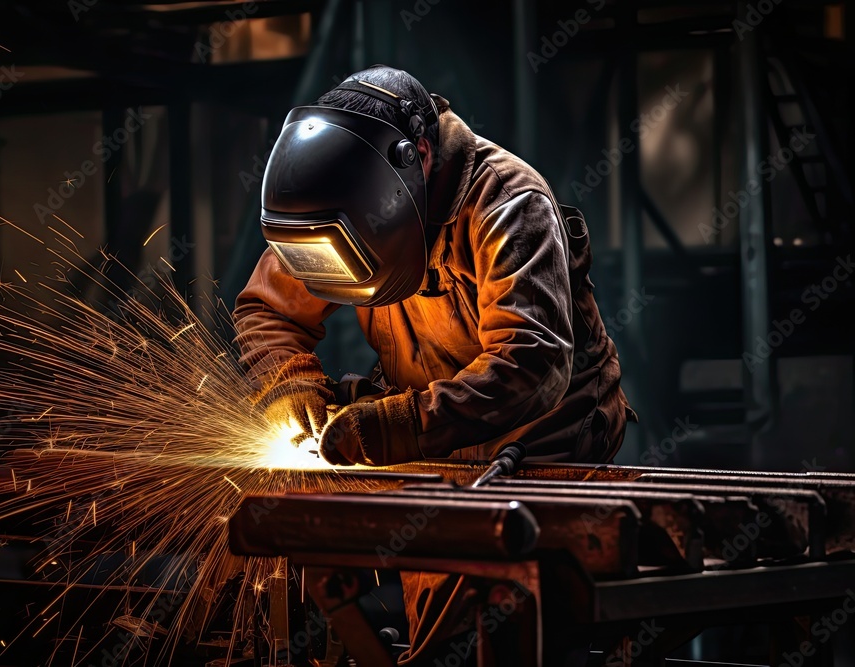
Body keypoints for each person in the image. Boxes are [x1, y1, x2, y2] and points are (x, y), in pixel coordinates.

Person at [233, 64, 635, 469]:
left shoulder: (508, 204)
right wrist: (288, 383)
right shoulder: (335, 203)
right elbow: (268, 309)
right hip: (428, 443)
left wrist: (401, 426)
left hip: (536, 444)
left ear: (420, 156)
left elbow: (530, 364)